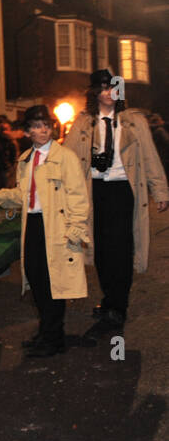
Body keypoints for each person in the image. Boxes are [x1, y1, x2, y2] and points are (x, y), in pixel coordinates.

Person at [63, 68, 169, 332]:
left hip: (124, 190)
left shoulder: (134, 121)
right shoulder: (84, 123)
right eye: (102, 88)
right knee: (99, 250)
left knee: (121, 250)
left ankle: (118, 307)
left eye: (112, 87)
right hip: (95, 191)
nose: (108, 93)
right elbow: (66, 159)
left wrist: (160, 191)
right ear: (94, 92)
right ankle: (109, 299)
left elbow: (150, 158)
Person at [0, 106, 90, 357]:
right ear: (27, 131)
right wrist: (0, 197)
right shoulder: (25, 159)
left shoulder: (66, 157)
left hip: (56, 225)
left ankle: (54, 338)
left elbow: (78, 195)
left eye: (46, 125)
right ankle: (46, 331)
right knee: (36, 281)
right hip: (32, 225)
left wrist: (76, 227)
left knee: (54, 283)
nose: (42, 130)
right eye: (36, 126)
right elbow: (24, 195)